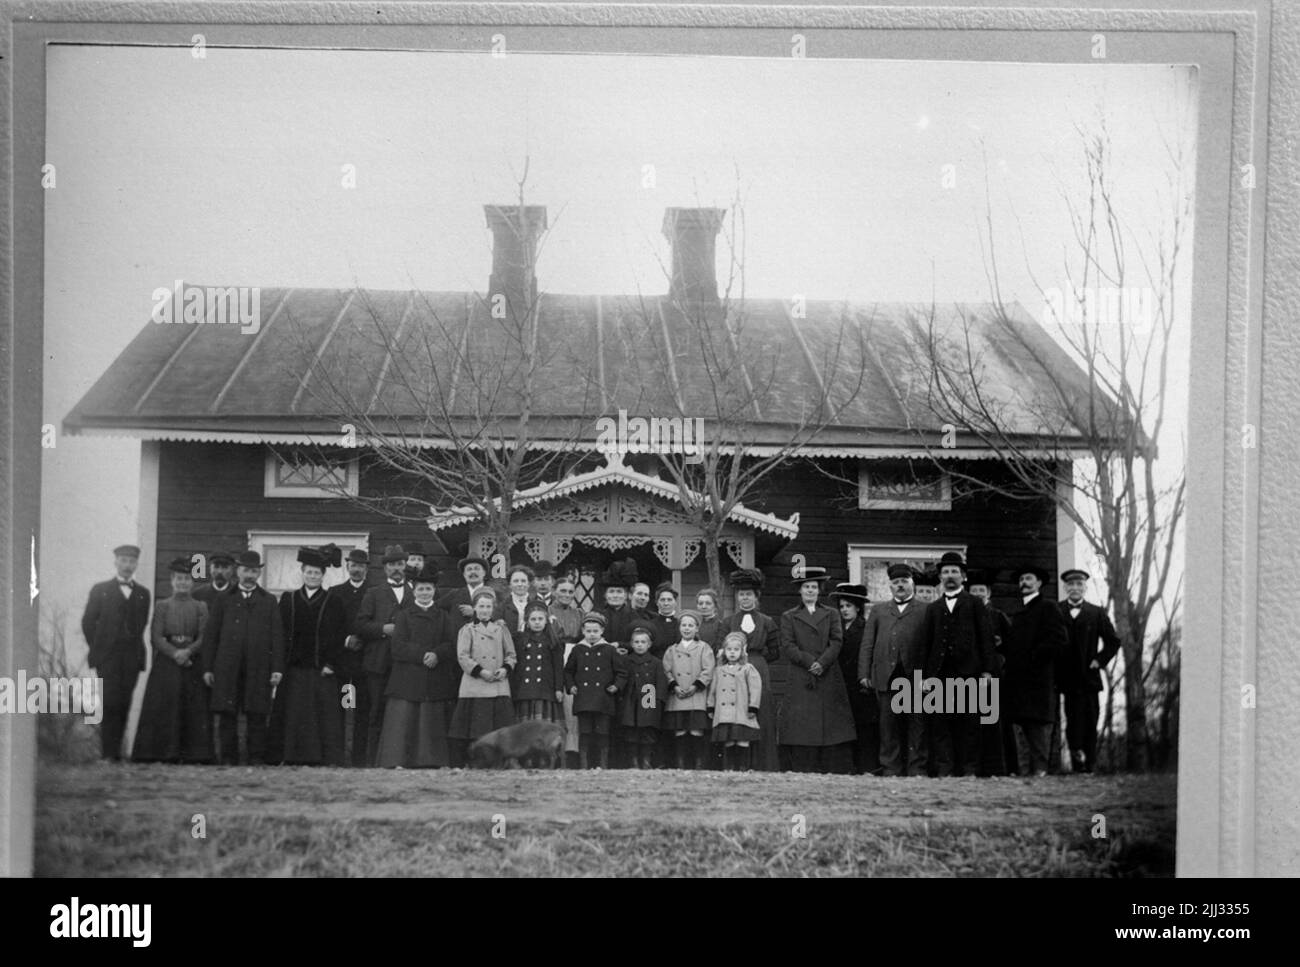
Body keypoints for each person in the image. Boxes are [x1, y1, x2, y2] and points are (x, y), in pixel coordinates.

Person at [201, 551, 285, 765]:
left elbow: (277, 636)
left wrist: (276, 668)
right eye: (246, 570)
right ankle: (228, 758)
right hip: (227, 667)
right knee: (227, 713)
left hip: (258, 667)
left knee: (257, 713)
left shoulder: (268, 601)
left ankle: (256, 757)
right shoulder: (224, 599)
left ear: (259, 573)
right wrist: (208, 668)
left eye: (254, 571)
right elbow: (212, 636)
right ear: (238, 571)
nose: (250, 575)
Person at [919, 552, 996, 778]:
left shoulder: (975, 604)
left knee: (969, 725)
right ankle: (945, 770)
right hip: (940, 675)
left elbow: (986, 639)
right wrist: (923, 676)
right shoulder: (933, 608)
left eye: (954, 572)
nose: (950, 576)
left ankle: (969, 770)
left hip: (969, 674)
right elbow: (926, 643)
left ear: (963, 577)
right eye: (946, 572)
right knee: (941, 726)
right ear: (941, 577)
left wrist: (987, 671)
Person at [269, 547, 347, 765]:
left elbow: (339, 635)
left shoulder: (334, 602)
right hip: (294, 670)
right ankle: (291, 757)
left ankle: (322, 758)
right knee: (294, 714)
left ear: (323, 575)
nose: (312, 576)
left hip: (322, 670)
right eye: (309, 572)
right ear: (302, 573)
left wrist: (331, 663)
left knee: (322, 716)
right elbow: (280, 634)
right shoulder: (289, 599)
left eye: (317, 573)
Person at [378, 563, 458, 768]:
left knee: (431, 719)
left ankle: (430, 760)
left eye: (428, 589)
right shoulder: (404, 615)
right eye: (421, 589)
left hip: (435, 676)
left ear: (434, 591)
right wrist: (423, 655)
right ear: (414, 590)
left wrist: (437, 654)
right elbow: (397, 646)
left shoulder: (443, 616)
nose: (424, 593)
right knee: (404, 719)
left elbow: (451, 644)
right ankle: (399, 760)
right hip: (407, 677)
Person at [132, 557, 212, 763]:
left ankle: (192, 754)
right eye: (179, 578)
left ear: (192, 582)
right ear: (172, 581)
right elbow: (156, 637)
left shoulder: (200, 606)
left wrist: (188, 652)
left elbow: (204, 636)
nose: (182, 582)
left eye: (186, 579)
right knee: (165, 706)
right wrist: (175, 653)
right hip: (167, 663)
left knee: (192, 708)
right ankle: (164, 752)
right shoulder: (162, 606)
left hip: (192, 662)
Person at [778, 566, 857, 773]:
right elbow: (788, 645)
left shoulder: (831, 614)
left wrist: (822, 663)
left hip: (827, 673)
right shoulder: (789, 616)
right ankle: (804, 767)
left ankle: (831, 767)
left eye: (814, 587)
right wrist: (808, 662)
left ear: (819, 589)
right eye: (806, 587)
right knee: (804, 725)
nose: (810, 591)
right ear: (800, 590)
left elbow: (837, 640)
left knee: (829, 724)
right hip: (801, 675)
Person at [81, 544, 152, 761]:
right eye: (123, 561)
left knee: (124, 702)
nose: (127, 565)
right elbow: (88, 622)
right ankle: (108, 754)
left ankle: (117, 754)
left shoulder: (143, 594)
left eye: (131, 561)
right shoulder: (100, 589)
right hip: (107, 658)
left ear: (136, 564)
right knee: (109, 702)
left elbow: (141, 624)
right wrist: (100, 648)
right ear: (116, 562)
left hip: (131, 657)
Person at [860, 563, 929, 777]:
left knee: (917, 726)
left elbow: (931, 645)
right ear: (890, 586)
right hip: (885, 676)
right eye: (896, 582)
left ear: (912, 584)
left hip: (915, 677)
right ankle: (891, 769)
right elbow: (868, 643)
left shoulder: (925, 609)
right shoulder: (879, 611)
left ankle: (917, 769)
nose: (900, 586)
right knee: (888, 726)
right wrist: (863, 673)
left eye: (904, 582)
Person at [1004, 565, 1069, 776]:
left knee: (1039, 728)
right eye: (1022, 578)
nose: (1024, 582)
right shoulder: (1018, 613)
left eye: (1029, 578)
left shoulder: (1048, 607)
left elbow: (1059, 640)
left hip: (1039, 680)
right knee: (1021, 728)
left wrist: (1034, 657)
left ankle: (1040, 772)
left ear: (1039, 583)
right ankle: (1025, 774)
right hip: (1018, 682)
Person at [1056, 569, 1122, 773]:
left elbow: (1113, 641)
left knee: (1090, 720)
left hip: (1089, 678)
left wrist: (1099, 661)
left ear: (1084, 588)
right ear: (1065, 588)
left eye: (1079, 585)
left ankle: (1091, 764)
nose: (1075, 588)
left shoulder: (1096, 612)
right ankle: (1078, 765)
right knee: (1072, 721)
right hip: (1067, 678)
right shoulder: (1057, 611)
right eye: (1071, 585)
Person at [353, 546, 412, 766]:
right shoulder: (373, 593)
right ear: (385, 568)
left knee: (401, 713)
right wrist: (382, 629)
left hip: (404, 665)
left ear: (405, 567)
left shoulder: (414, 592)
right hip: (377, 663)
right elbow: (360, 624)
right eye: (392, 565)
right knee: (376, 712)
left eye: (400, 564)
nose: (396, 569)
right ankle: (372, 761)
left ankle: (400, 760)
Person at [719, 569, 780, 771]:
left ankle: (761, 764)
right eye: (741, 594)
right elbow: (722, 648)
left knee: (758, 712)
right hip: (733, 669)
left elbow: (775, 652)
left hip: (759, 668)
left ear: (756, 596)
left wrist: (756, 660)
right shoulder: (728, 622)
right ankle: (736, 764)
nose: (744, 598)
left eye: (748, 594)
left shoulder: (767, 622)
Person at [449, 587, 516, 756]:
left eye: (488, 607)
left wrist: (505, 669)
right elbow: (462, 656)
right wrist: (480, 671)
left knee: (499, 730)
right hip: (475, 685)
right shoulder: (467, 630)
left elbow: (511, 654)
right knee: (477, 729)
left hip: (498, 684)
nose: (485, 610)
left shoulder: (501, 630)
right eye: (481, 607)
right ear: (475, 609)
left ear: (493, 609)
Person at [328, 548, 373, 767]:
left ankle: (359, 759)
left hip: (365, 662)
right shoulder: (335, 592)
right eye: (353, 566)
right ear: (347, 567)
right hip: (342, 661)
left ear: (366, 569)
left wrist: (364, 639)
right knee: (340, 710)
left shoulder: (373, 592)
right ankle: (337, 758)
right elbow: (329, 626)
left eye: (361, 566)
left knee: (362, 711)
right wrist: (345, 640)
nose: (357, 570)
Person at [830, 583, 879, 775]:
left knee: (864, 727)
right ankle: (846, 766)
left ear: (857, 607)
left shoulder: (866, 628)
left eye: (848, 606)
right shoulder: (836, 629)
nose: (844, 610)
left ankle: (867, 767)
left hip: (860, 686)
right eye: (841, 607)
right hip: (841, 685)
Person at [564, 611, 623, 769]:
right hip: (583, 699)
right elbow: (568, 671)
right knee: (585, 733)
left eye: (595, 631)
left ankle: (602, 764)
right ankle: (584, 764)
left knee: (602, 733)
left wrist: (616, 685)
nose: (592, 634)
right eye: (588, 631)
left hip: (603, 699)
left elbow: (621, 672)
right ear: (583, 631)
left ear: (602, 631)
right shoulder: (577, 650)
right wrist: (571, 686)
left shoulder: (609, 650)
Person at [968, 568, 1011, 776]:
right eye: (974, 591)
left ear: (988, 593)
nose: (978, 594)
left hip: (991, 676)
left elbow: (1011, 645)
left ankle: (994, 768)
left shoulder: (997, 617)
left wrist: (999, 652)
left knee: (991, 721)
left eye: (981, 591)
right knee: (971, 722)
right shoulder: (964, 616)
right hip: (968, 676)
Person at [662, 610, 716, 770]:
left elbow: (708, 669)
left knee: (695, 730)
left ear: (697, 628)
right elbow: (666, 670)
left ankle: (698, 764)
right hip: (677, 696)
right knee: (680, 730)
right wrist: (674, 685)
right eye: (684, 625)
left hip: (696, 696)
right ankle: (681, 764)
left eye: (691, 625)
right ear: (679, 628)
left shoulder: (704, 648)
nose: (687, 628)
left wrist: (696, 686)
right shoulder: (672, 650)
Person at [707, 631, 763, 771]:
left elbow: (755, 689)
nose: (732, 653)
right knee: (729, 740)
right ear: (724, 651)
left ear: (742, 652)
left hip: (741, 711)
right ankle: (729, 767)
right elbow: (713, 690)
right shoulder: (719, 670)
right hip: (724, 712)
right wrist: (711, 706)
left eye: (736, 650)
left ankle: (743, 767)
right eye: (729, 649)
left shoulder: (748, 669)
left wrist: (753, 707)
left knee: (742, 739)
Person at [617, 626, 669, 769]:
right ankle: (633, 761)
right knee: (631, 732)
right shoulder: (626, 661)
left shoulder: (655, 662)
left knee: (647, 730)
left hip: (648, 697)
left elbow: (661, 683)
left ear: (649, 644)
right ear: (632, 644)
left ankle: (646, 761)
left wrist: (658, 701)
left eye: (643, 642)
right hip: (630, 699)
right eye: (637, 642)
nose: (640, 645)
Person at [513, 601, 565, 724]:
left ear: (546, 620)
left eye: (540, 619)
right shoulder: (520, 640)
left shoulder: (553, 641)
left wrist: (558, 689)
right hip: (524, 690)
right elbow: (517, 666)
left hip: (545, 689)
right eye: (533, 619)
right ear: (527, 622)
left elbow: (558, 667)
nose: (537, 622)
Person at [597, 558, 639, 651]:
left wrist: (619, 644)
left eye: (619, 592)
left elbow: (639, 641)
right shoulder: (597, 615)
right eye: (611, 591)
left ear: (626, 595)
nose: (615, 595)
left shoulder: (634, 617)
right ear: (605, 595)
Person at [439, 555, 491, 629]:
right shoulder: (454, 594)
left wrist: (475, 614)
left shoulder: (493, 595)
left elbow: (499, 619)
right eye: (469, 569)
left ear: (484, 573)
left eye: (477, 569)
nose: (473, 572)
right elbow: (435, 609)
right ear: (464, 574)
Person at [500, 564, 537, 635]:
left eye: (523, 581)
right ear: (510, 584)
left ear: (528, 584)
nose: (520, 584)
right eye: (516, 581)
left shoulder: (535, 605)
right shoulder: (501, 606)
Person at [649, 583, 680, 659]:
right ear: (657, 603)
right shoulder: (650, 625)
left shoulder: (681, 624)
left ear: (675, 602)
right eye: (662, 600)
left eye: (669, 600)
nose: (666, 603)